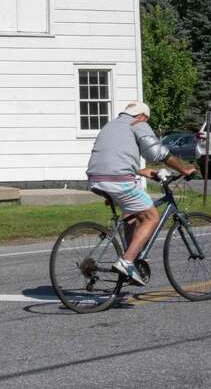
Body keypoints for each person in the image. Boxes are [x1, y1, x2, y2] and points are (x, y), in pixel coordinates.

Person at [85, 101, 197, 285]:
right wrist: (183, 169)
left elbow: (114, 156)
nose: (147, 122)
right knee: (151, 217)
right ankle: (127, 262)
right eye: (147, 119)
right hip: (118, 180)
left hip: (96, 178)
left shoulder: (111, 125)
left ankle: (131, 259)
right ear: (142, 115)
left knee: (130, 215)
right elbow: (157, 153)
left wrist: (142, 171)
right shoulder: (138, 123)